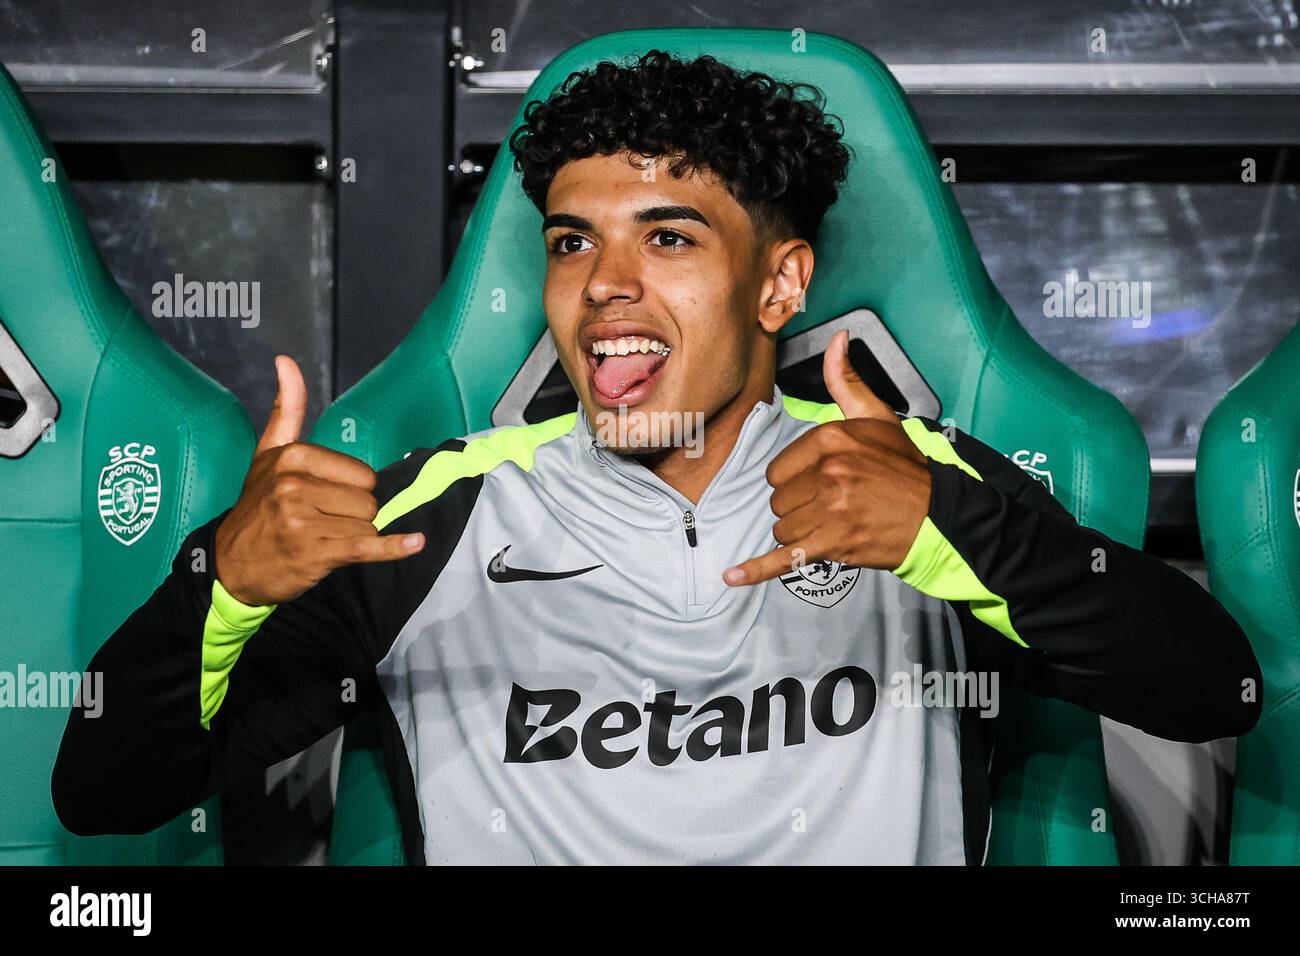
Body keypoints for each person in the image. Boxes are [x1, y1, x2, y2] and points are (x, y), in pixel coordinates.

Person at [53, 50, 1262, 865]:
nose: (606, 288)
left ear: (780, 282)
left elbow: (1215, 688)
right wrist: (219, 584)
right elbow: (105, 794)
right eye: (573, 242)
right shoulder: (434, 511)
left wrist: (966, 534)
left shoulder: (904, 480)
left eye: (668, 237)